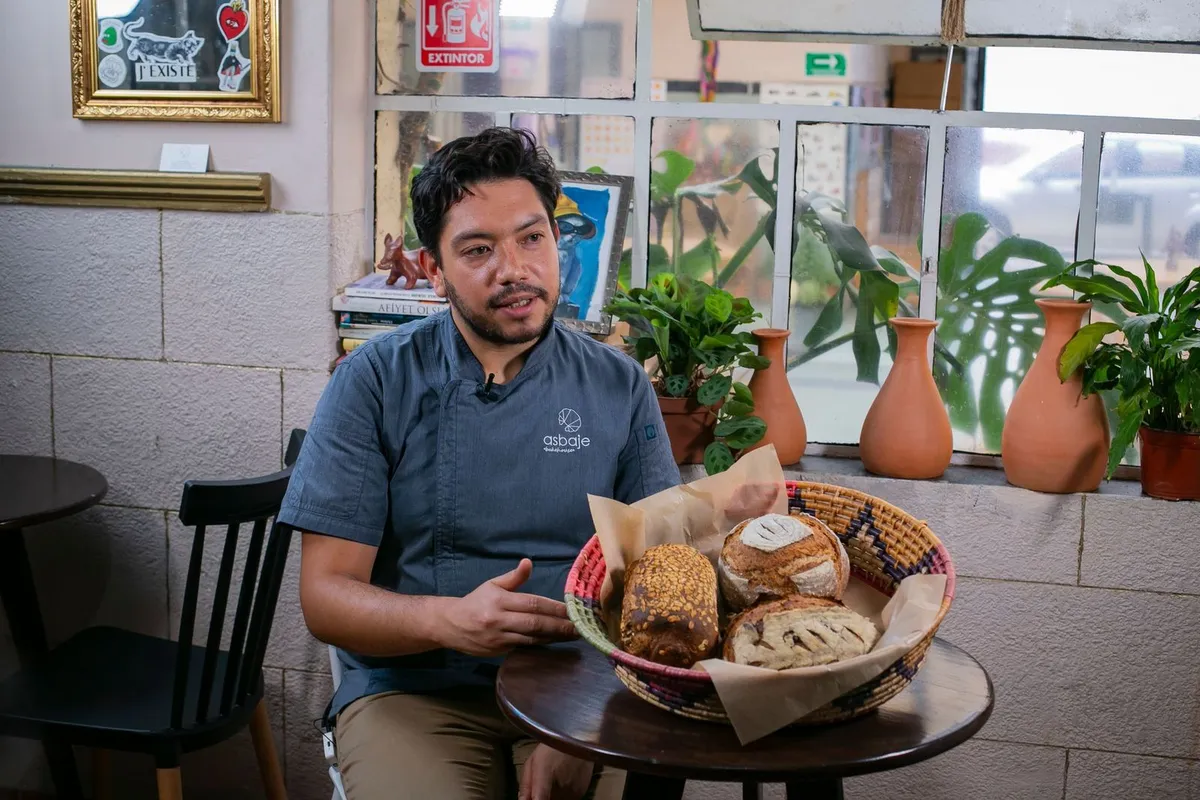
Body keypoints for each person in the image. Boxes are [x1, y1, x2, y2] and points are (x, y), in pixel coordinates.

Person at [279, 126, 682, 800]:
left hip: (577, 683)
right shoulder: (374, 380)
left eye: (532, 238)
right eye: (477, 250)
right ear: (433, 269)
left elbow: (659, 578)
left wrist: (584, 722)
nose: (513, 269)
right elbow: (325, 598)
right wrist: (448, 621)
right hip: (413, 691)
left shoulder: (619, 385)